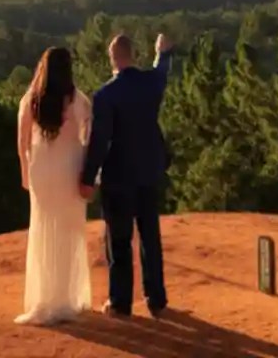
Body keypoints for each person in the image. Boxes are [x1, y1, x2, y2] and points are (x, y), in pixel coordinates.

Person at [79, 33, 175, 318]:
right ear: (134, 55)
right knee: (150, 236)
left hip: (118, 176)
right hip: (149, 170)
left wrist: (87, 178)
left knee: (119, 240)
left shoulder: (106, 95)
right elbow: (161, 70)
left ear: (112, 59)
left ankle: (120, 302)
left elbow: (100, 141)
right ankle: (156, 299)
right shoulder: (150, 84)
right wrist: (163, 51)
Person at [14, 47, 93, 325]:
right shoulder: (78, 100)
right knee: (69, 233)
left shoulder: (30, 100)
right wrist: (87, 172)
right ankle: (66, 298)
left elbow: (22, 143)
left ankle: (43, 299)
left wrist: (26, 174)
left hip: (42, 172)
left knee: (43, 230)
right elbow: (89, 138)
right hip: (69, 171)